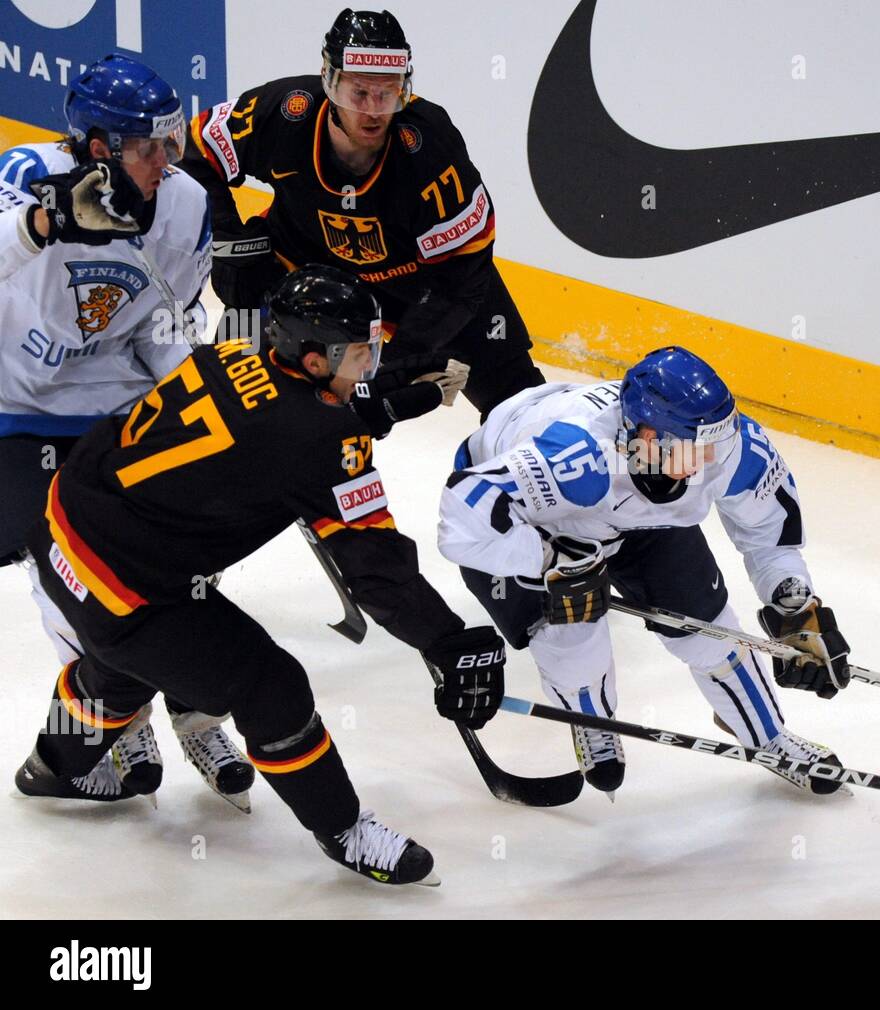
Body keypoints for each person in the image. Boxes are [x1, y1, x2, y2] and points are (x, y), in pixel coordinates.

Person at [14, 265, 506, 886]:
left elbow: (279, 421)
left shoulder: (230, 353)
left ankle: (53, 767)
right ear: (312, 358)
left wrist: (387, 404)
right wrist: (451, 642)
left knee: (127, 664)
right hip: (130, 586)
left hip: (63, 530)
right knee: (271, 686)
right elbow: (377, 571)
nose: (371, 361)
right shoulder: (321, 439)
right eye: (359, 353)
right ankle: (344, 829)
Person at [0, 53, 255, 807]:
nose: (165, 160)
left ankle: (194, 708)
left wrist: (192, 391)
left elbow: (166, 321)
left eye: (171, 141)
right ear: (99, 146)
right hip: (16, 408)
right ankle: (123, 705)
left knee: (185, 547)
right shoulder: (24, 174)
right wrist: (39, 225)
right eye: (147, 146)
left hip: (117, 401)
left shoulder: (182, 204)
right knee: (67, 563)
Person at [438, 346, 853, 796]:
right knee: (574, 643)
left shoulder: (728, 448)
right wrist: (547, 560)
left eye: (715, 442)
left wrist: (794, 604)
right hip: (538, 520)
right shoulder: (573, 454)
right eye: (694, 447)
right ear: (646, 435)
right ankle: (592, 719)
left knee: (708, 628)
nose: (708, 461)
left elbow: (772, 536)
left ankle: (770, 737)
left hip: (636, 517)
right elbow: (461, 521)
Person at [180, 7, 546, 419]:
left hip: (420, 288)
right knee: (233, 392)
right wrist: (229, 239)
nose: (374, 110)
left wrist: (397, 363)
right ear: (329, 81)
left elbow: (462, 275)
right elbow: (195, 151)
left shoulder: (429, 148)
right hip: (302, 277)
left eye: (387, 93)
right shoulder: (284, 112)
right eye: (359, 93)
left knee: (521, 405)